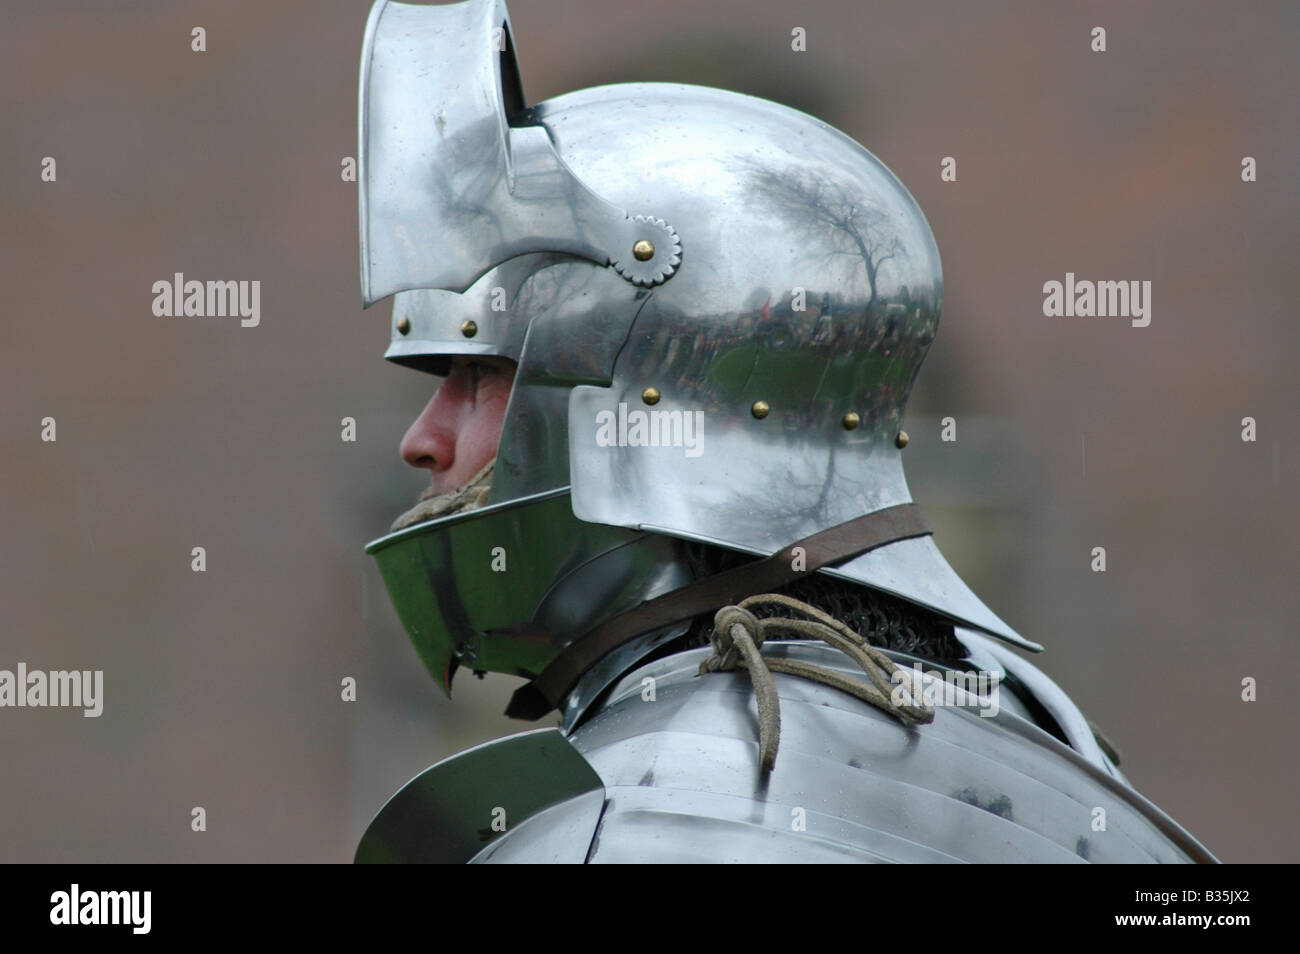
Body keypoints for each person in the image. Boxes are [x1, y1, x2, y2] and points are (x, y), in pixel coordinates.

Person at [353, 0, 1216, 863]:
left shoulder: (633, 825)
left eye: (480, 375)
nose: (423, 440)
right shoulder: (1050, 751)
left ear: (651, 408)